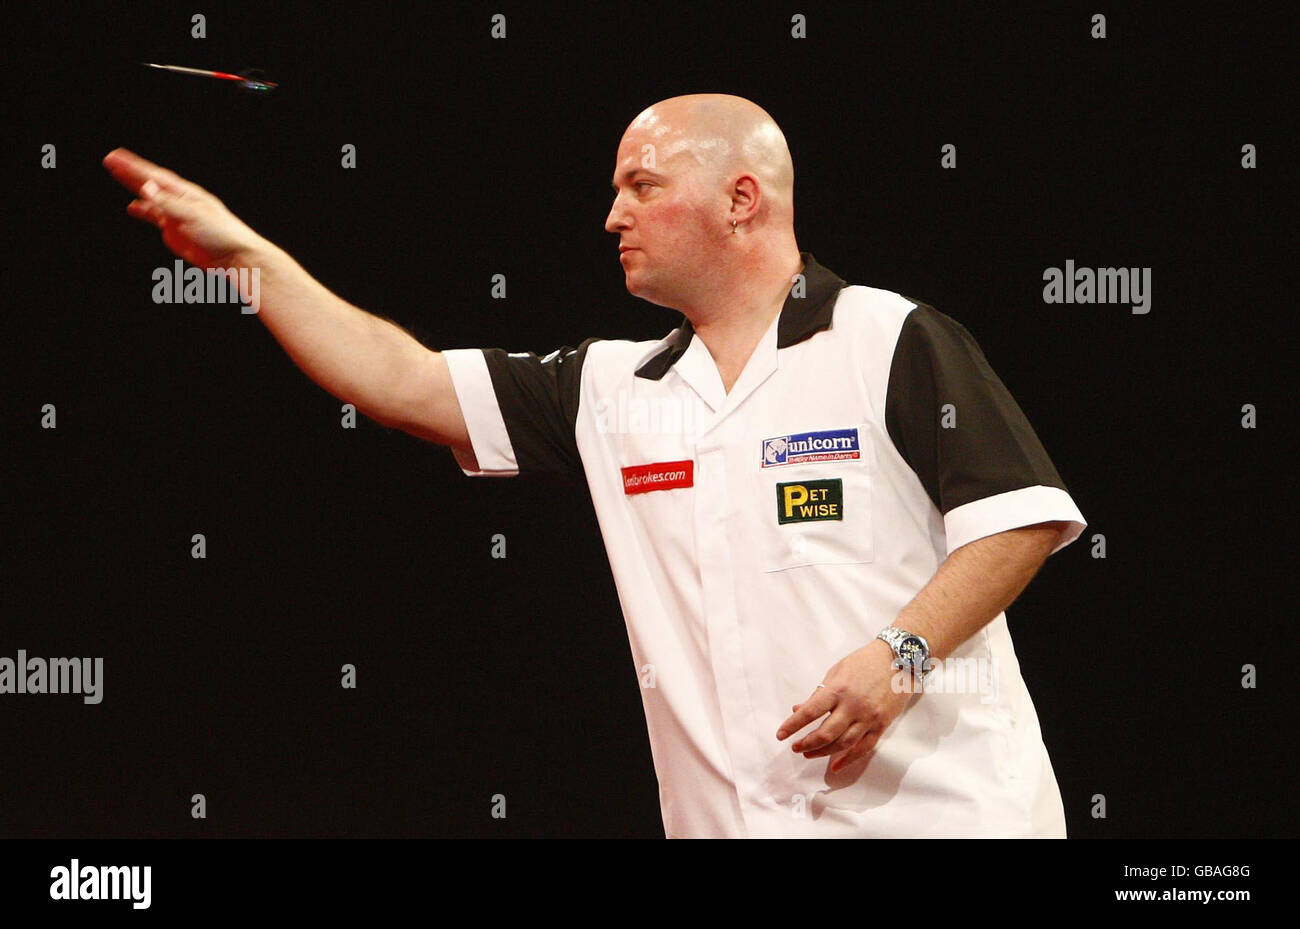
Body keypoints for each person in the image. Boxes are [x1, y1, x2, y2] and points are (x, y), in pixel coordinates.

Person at [103, 93, 1086, 838]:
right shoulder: (613, 387)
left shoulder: (887, 334)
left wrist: (900, 656)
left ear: (741, 199)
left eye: (641, 185)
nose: (611, 215)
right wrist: (245, 256)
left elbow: (1020, 519)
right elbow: (399, 382)